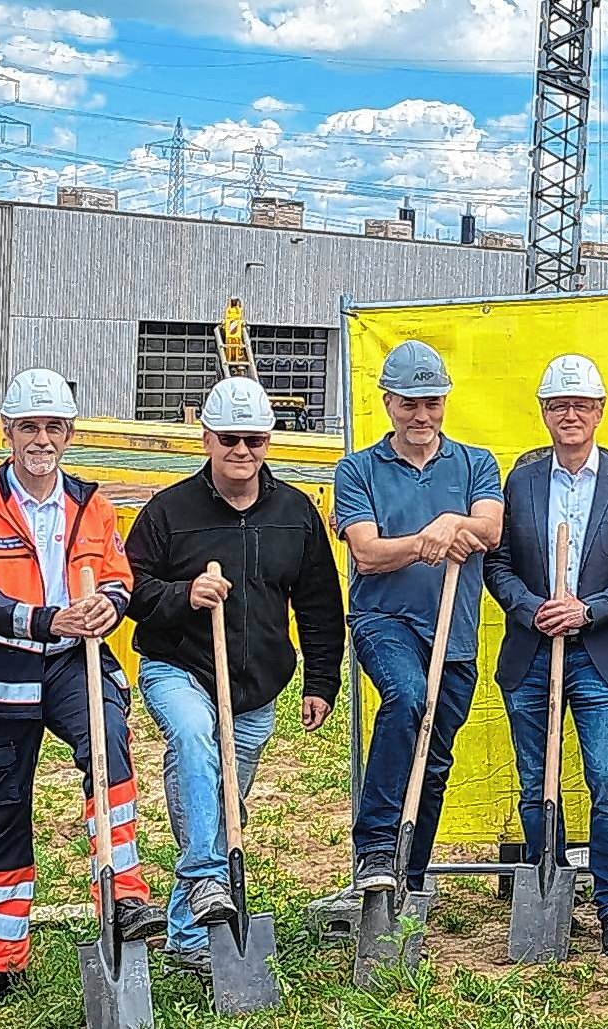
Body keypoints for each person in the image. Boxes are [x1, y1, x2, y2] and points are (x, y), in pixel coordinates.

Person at [0, 368, 164, 1008]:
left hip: (77, 662)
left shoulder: (94, 503)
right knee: (4, 813)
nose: (42, 438)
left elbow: (118, 576)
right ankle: (0, 960)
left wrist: (107, 608)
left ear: (69, 434)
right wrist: (48, 620)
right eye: (30, 427)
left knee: (109, 754)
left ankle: (123, 897)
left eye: (54, 427)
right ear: (7, 432)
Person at [125, 377, 346, 975]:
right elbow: (131, 589)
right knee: (195, 742)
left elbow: (321, 604)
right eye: (229, 439)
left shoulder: (296, 512)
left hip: (256, 684)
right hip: (180, 667)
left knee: (222, 805)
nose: (241, 451)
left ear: (269, 440)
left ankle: (186, 939)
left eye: (252, 439)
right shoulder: (169, 511)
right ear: (207, 438)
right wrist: (184, 594)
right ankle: (203, 878)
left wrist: (322, 681)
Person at [482, 354, 608, 957]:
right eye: (559, 405)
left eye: (581, 405)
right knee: (537, 782)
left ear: (600, 412)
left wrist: (589, 609)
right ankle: (550, 888)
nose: (570, 415)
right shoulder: (522, 482)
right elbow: (498, 563)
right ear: (543, 413)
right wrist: (531, 606)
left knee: (607, 780)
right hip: (532, 652)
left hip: (601, 655)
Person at [334, 339, 504, 893]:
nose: (421, 415)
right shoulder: (358, 470)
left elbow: (491, 529)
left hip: (453, 629)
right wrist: (430, 539)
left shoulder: (476, 463)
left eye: (431, 402)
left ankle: (410, 874)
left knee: (434, 755)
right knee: (408, 698)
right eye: (409, 403)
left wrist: (453, 520)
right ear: (388, 403)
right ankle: (377, 848)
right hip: (384, 621)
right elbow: (367, 553)